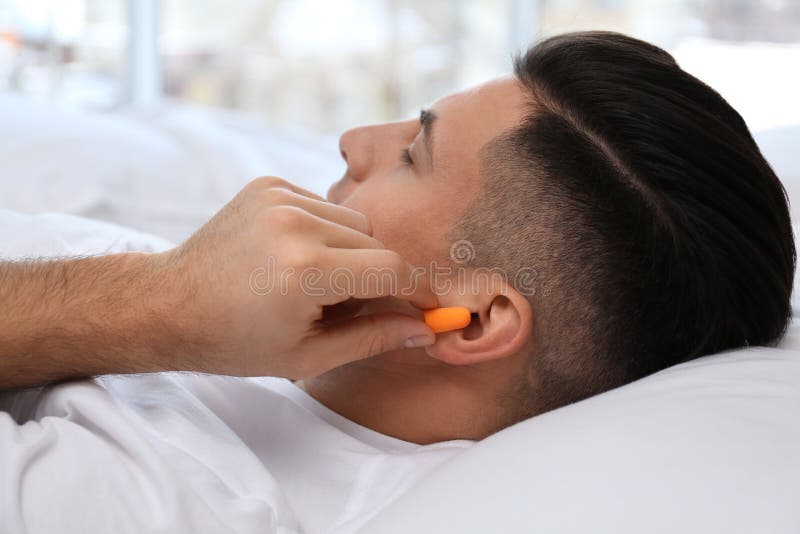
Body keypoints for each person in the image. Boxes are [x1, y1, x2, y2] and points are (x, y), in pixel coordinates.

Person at [0, 31, 794, 533]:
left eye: (416, 153)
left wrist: (160, 307)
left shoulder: (167, 500)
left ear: (473, 320)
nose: (352, 141)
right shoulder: (230, 299)